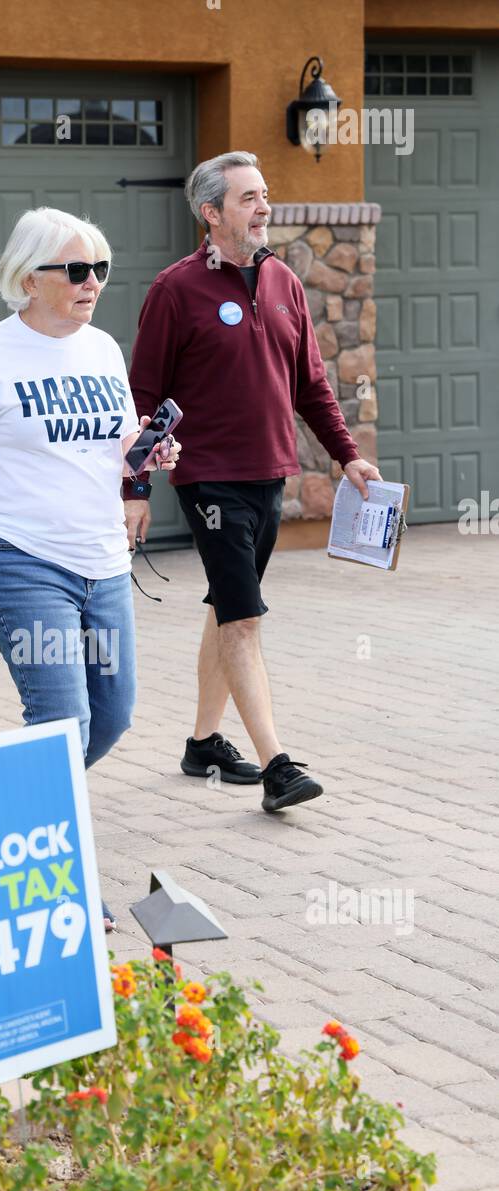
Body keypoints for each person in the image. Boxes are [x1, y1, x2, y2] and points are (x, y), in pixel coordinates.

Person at [0, 206, 179, 928]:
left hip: (102, 560)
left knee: (114, 714)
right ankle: (58, 883)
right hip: (23, 561)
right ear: (28, 277)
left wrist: (148, 459)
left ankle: (1, 813)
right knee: (60, 720)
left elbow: (118, 443)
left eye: (99, 267)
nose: (91, 281)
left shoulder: (100, 350)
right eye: (75, 269)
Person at [126, 151, 381, 813]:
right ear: (211, 213)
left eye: (263, 194)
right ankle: (276, 766)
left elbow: (312, 386)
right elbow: (144, 398)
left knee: (224, 605)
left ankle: (203, 743)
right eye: (247, 197)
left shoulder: (283, 282)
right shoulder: (174, 290)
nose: (263, 207)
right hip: (207, 478)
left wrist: (346, 456)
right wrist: (133, 489)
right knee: (242, 619)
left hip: (269, 471)